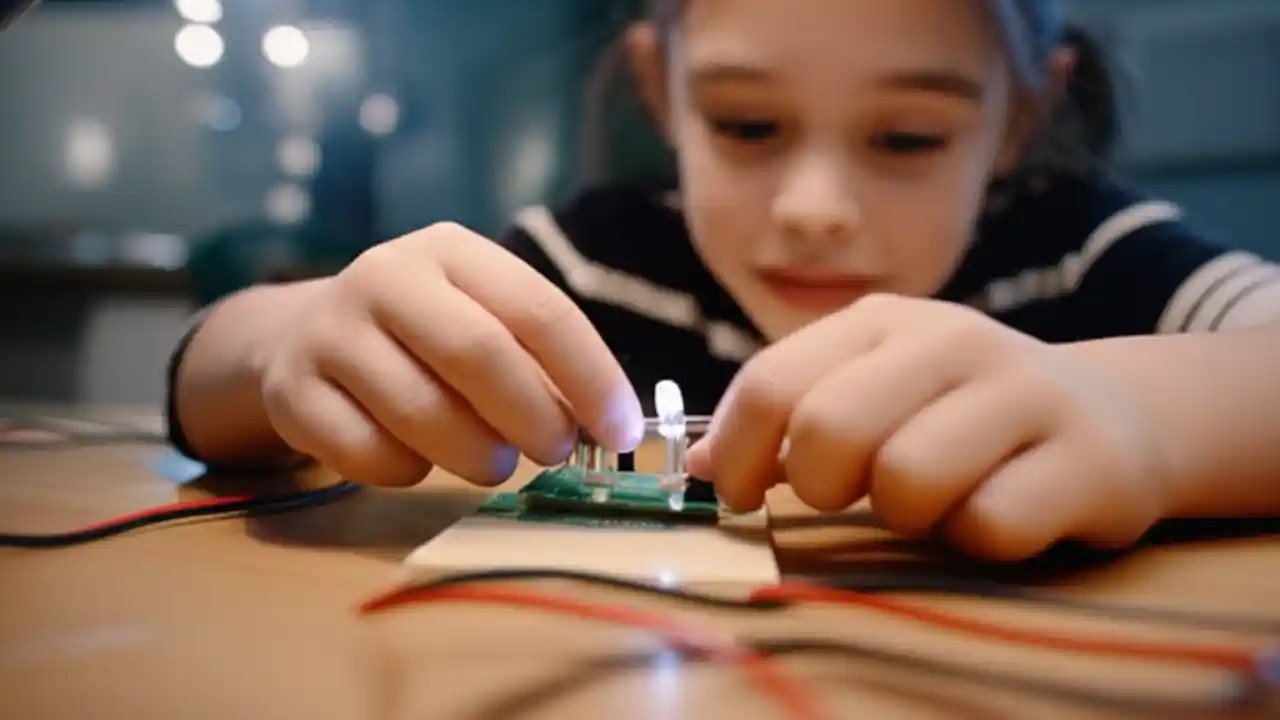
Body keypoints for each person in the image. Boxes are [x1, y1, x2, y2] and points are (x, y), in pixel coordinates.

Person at [168, 0, 1280, 561]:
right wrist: (289, 339)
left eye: (904, 138)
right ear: (660, 90)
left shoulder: (1084, 253)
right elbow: (201, 386)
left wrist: (1138, 415)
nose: (811, 205)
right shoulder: (582, 268)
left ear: (1021, 114)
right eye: (746, 123)